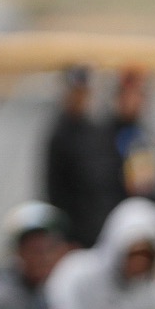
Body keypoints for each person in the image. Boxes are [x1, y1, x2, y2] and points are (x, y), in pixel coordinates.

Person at [42, 66, 121, 249]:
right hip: (75, 235)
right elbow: (54, 189)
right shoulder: (59, 135)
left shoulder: (97, 131)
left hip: (102, 228)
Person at [108, 66, 155, 210]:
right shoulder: (103, 136)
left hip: (143, 212)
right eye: (130, 94)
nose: (135, 100)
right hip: (116, 213)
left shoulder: (147, 136)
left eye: (139, 94)